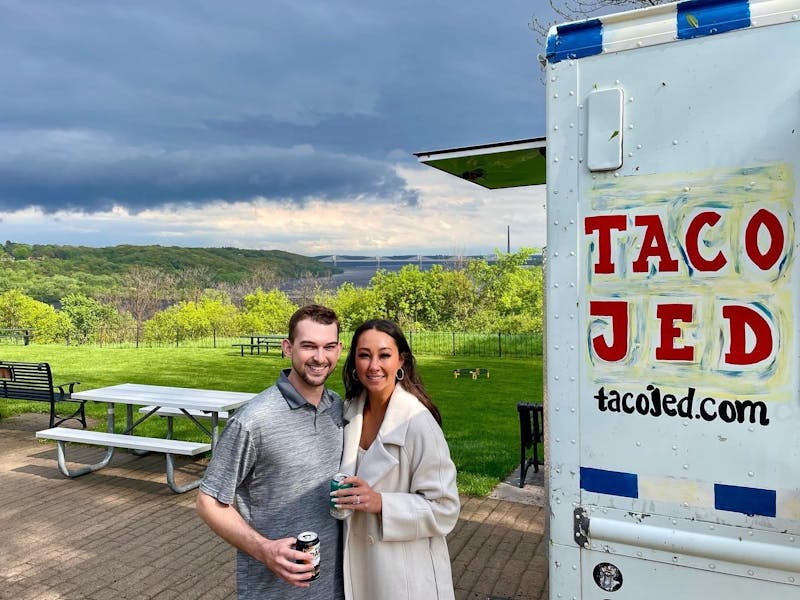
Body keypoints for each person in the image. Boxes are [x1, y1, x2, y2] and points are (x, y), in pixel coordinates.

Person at [196, 304, 345, 600]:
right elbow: (208, 502)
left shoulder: (338, 407)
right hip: (273, 591)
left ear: (340, 349)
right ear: (287, 348)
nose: (320, 357)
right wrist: (264, 550)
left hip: (335, 587)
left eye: (329, 346)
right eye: (308, 346)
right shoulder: (253, 420)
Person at [331, 319, 460, 600]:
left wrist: (381, 503)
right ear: (353, 361)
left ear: (401, 360)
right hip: (360, 569)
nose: (373, 365)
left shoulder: (418, 422)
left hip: (406, 578)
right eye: (364, 355)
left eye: (384, 355)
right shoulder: (349, 412)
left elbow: (445, 508)